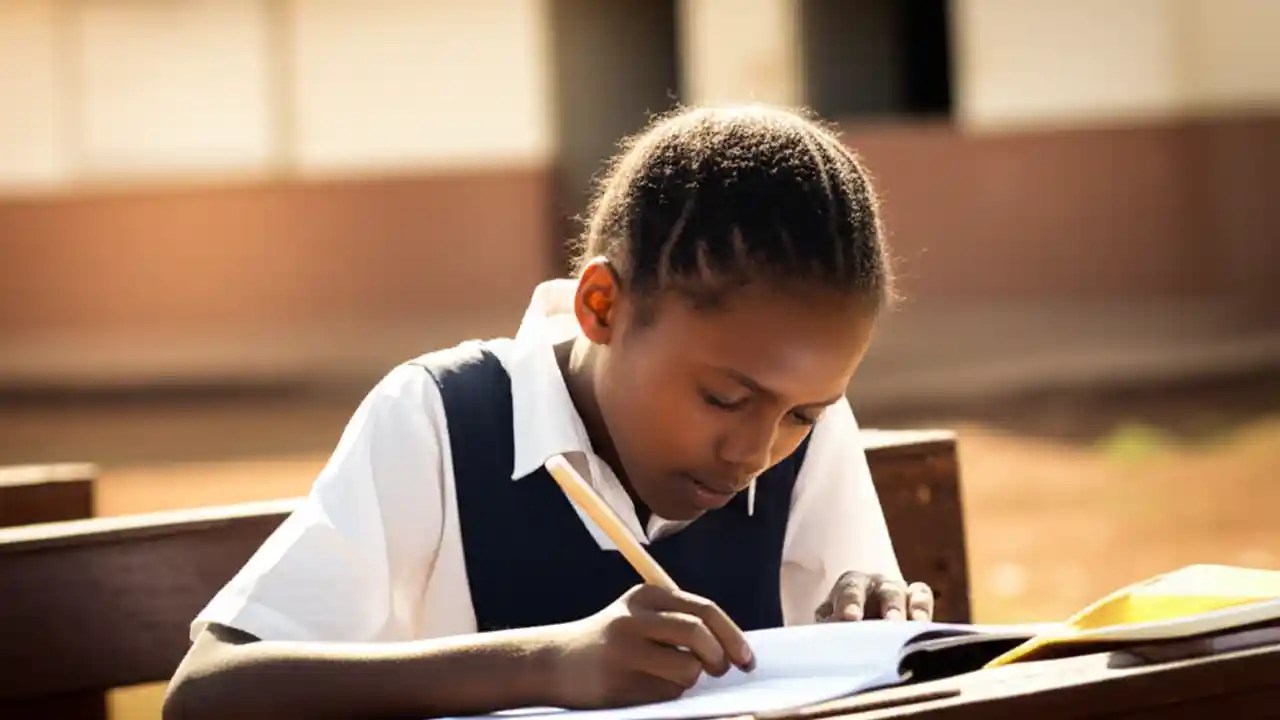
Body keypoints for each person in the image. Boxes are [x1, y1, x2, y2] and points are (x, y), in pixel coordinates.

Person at [164, 105, 935, 720]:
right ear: (602, 306)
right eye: (724, 398)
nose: (757, 448)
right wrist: (545, 665)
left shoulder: (808, 438)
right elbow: (209, 692)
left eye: (802, 413)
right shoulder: (441, 420)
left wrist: (875, 646)